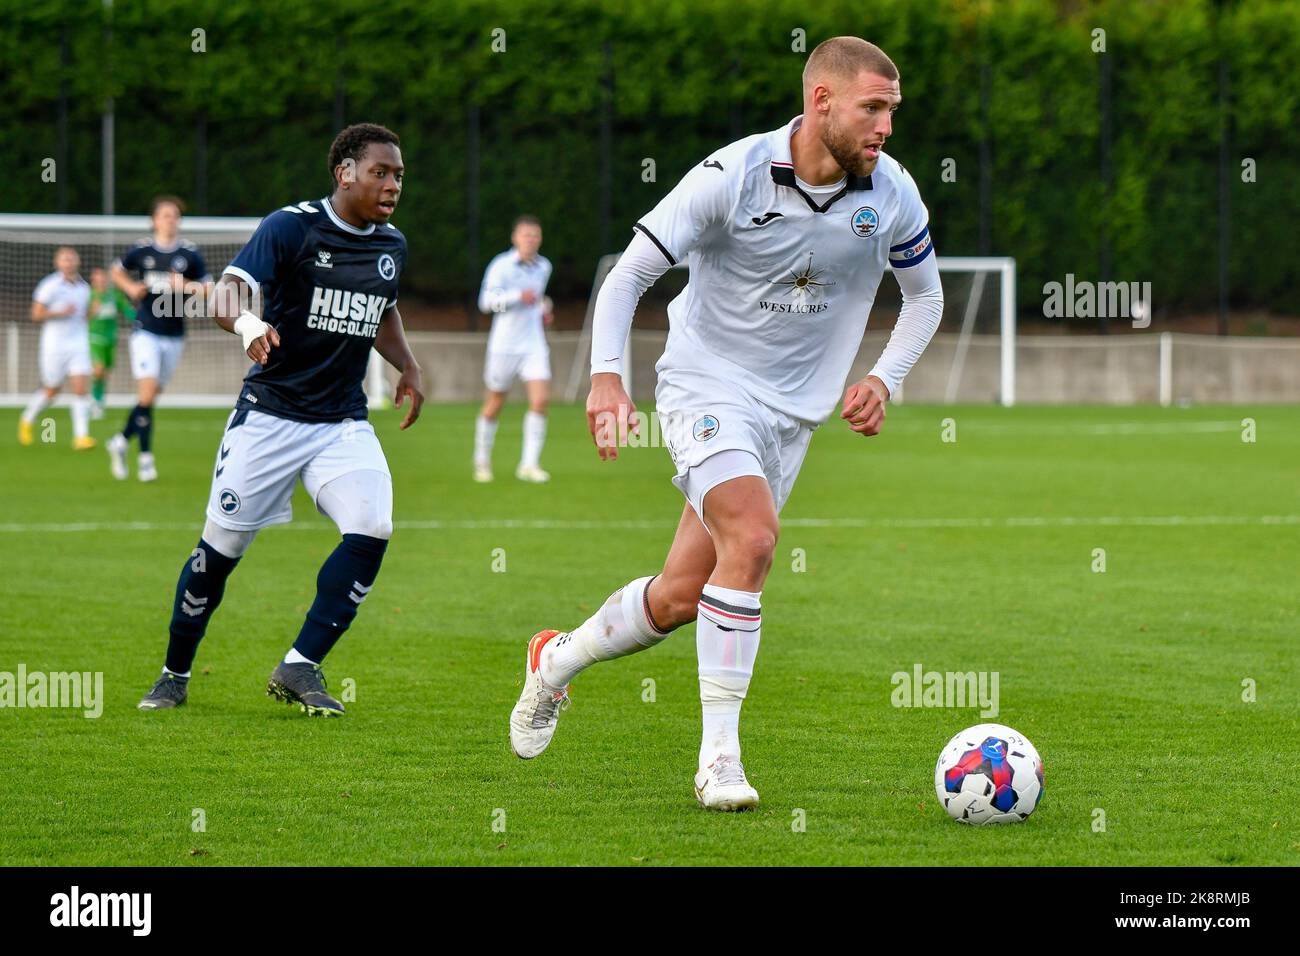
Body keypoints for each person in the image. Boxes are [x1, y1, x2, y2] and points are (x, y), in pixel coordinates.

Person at [508, 37, 945, 810]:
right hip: (705, 385)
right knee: (754, 537)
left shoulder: (893, 193)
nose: (884, 127)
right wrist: (606, 380)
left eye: (892, 112)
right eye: (872, 109)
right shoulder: (731, 175)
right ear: (821, 103)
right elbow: (631, 274)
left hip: (791, 419)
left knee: (681, 597)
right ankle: (719, 762)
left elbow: (925, 298)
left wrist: (884, 376)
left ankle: (555, 661)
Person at [136, 123, 424, 716]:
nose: (393, 184)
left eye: (398, 174)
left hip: (341, 422)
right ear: (345, 173)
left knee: (372, 526)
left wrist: (409, 366)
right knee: (218, 553)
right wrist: (247, 325)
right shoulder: (290, 226)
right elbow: (226, 293)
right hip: (269, 417)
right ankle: (173, 673)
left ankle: (300, 664)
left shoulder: (391, 244)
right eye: (381, 172)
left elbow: (384, 313)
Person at [106, 196, 212, 481]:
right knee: (146, 393)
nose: (170, 219)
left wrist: (186, 285)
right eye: (165, 215)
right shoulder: (141, 250)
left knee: (149, 399)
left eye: (174, 215)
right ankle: (145, 459)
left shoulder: (189, 254)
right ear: (154, 220)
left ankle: (119, 441)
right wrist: (130, 287)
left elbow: (210, 289)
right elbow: (115, 271)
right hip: (145, 331)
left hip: (175, 334)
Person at [473, 216, 554, 483]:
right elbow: (486, 303)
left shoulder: (544, 266)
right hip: (504, 346)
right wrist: (517, 297)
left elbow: (538, 299)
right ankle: (482, 461)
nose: (531, 239)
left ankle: (529, 464)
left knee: (540, 400)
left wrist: (543, 309)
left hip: (533, 344)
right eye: (526, 235)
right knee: (495, 402)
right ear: (515, 238)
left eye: (535, 235)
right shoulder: (501, 266)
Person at [18, 247, 95, 450]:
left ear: (78, 261)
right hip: (54, 344)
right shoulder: (49, 285)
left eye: (72, 258)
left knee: (81, 388)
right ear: (57, 263)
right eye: (65, 259)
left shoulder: (84, 288)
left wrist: (93, 312)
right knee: (53, 390)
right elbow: (35, 314)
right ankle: (27, 419)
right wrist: (59, 312)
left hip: (78, 343)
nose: (69, 262)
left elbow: (85, 315)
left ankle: (81, 437)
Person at [87, 266, 134, 418]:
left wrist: (142, 319)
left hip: (111, 339)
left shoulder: (114, 295)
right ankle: (94, 403)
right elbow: (82, 318)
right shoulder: (89, 296)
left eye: (103, 277)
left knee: (104, 374)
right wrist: (92, 311)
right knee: (98, 370)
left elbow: (128, 311)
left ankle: (98, 401)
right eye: (97, 278)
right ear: (93, 281)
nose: (101, 281)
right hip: (94, 338)